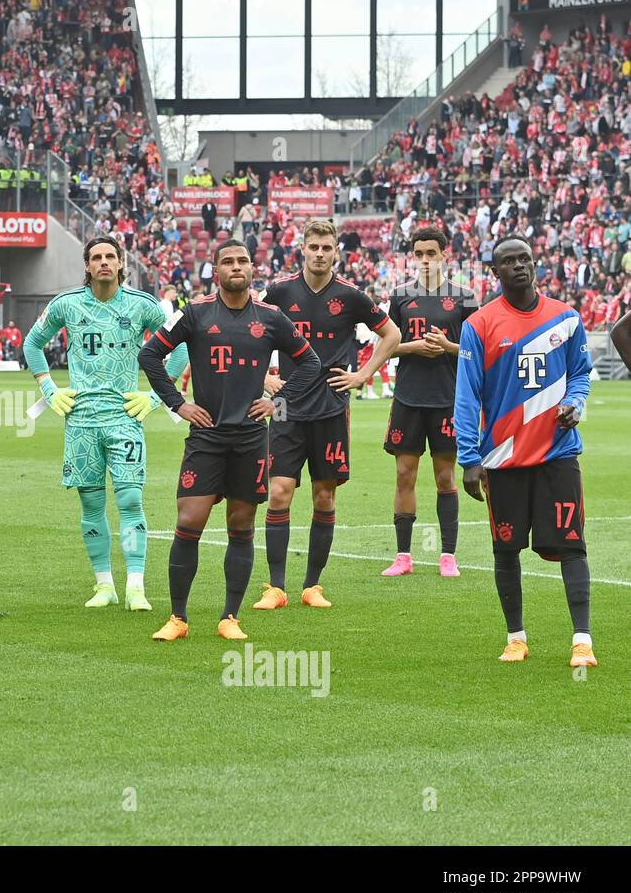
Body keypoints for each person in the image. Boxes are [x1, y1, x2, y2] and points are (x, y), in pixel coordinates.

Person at [140, 240, 320, 641]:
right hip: (205, 436)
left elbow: (310, 361)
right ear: (215, 269)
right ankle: (178, 619)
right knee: (189, 521)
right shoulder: (195, 314)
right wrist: (177, 404)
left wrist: (280, 400)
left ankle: (230, 617)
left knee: (241, 525)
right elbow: (150, 355)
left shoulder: (271, 318)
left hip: (251, 438)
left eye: (242, 261)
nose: (236, 266)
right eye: (227, 261)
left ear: (251, 268)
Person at [22, 236, 188, 612]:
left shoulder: (142, 305)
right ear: (87, 265)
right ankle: (104, 585)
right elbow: (32, 344)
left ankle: (135, 586)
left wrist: (156, 397)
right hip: (80, 418)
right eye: (96, 257)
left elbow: (180, 348)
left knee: (130, 499)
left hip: (124, 415)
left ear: (120, 263)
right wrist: (48, 389)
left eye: (110, 256)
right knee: (91, 503)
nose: (103, 263)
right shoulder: (66, 304)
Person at [456, 236, 597, 668]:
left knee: (572, 546)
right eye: (508, 261)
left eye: (525, 259)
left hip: (558, 454)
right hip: (503, 459)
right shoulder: (479, 325)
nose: (518, 266)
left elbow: (580, 374)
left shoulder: (566, 318)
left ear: (535, 264)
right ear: (495, 272)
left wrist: (575, 402)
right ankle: (516, 637)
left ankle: (582, 641)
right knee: (505, 549)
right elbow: (467, 395)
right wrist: (469, 458)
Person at [255, 218, 399, 610]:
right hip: (286, 405)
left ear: (337, 251)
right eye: (313, 247)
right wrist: (261, 378)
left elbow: (392, 335)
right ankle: (276, 587)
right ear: (302, 248)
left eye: (326, 248)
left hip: (332, 407)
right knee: (280, 493)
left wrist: (364, 375)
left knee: (323, 496)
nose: (320, 254)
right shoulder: (280, 292)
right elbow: (249, 331)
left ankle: (312, 585)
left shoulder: (351, 296)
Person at [380, 227, 478, 579]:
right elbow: (386, 345)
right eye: (418, 254)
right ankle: (403, 555)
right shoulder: (401, 296)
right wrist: (414, 347)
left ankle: (447, 555)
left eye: (431, 253)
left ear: (444, 255)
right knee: (404, 475)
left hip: (447, 400)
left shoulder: (465, 297)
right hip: (408, 397)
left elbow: (475, 352)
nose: (424, 260)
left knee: (444, 477)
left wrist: (448, 347)